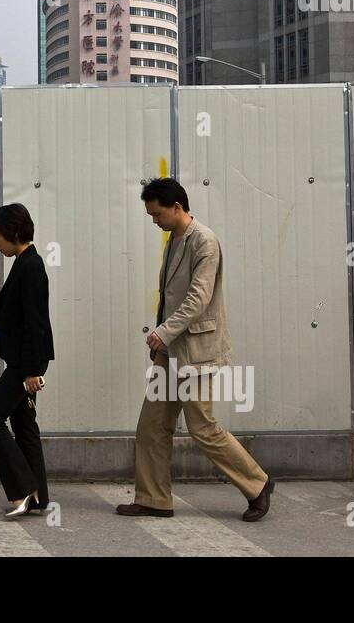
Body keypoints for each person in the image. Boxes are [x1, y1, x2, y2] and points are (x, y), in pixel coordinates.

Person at [117, 178, 273, 522]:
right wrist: (162, 340)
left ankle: (258, 485)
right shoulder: (173, 240)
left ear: (176, 207)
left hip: (196, 351)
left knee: (203, 428)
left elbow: (198, 299)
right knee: (151, 427)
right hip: (169, 352)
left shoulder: (205, 241)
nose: (153, 220)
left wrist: (163, 332)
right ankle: (154, 499)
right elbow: (170, 297)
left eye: (156, 214)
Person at [0, 203, 54, 519]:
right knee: (24, 425)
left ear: (12, 233)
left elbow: (36, 323)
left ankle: (23, 489)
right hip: (25, 363)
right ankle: (37, 498)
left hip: (25, 366)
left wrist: (32, 372)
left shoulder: (31, 266)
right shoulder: (25, 262)